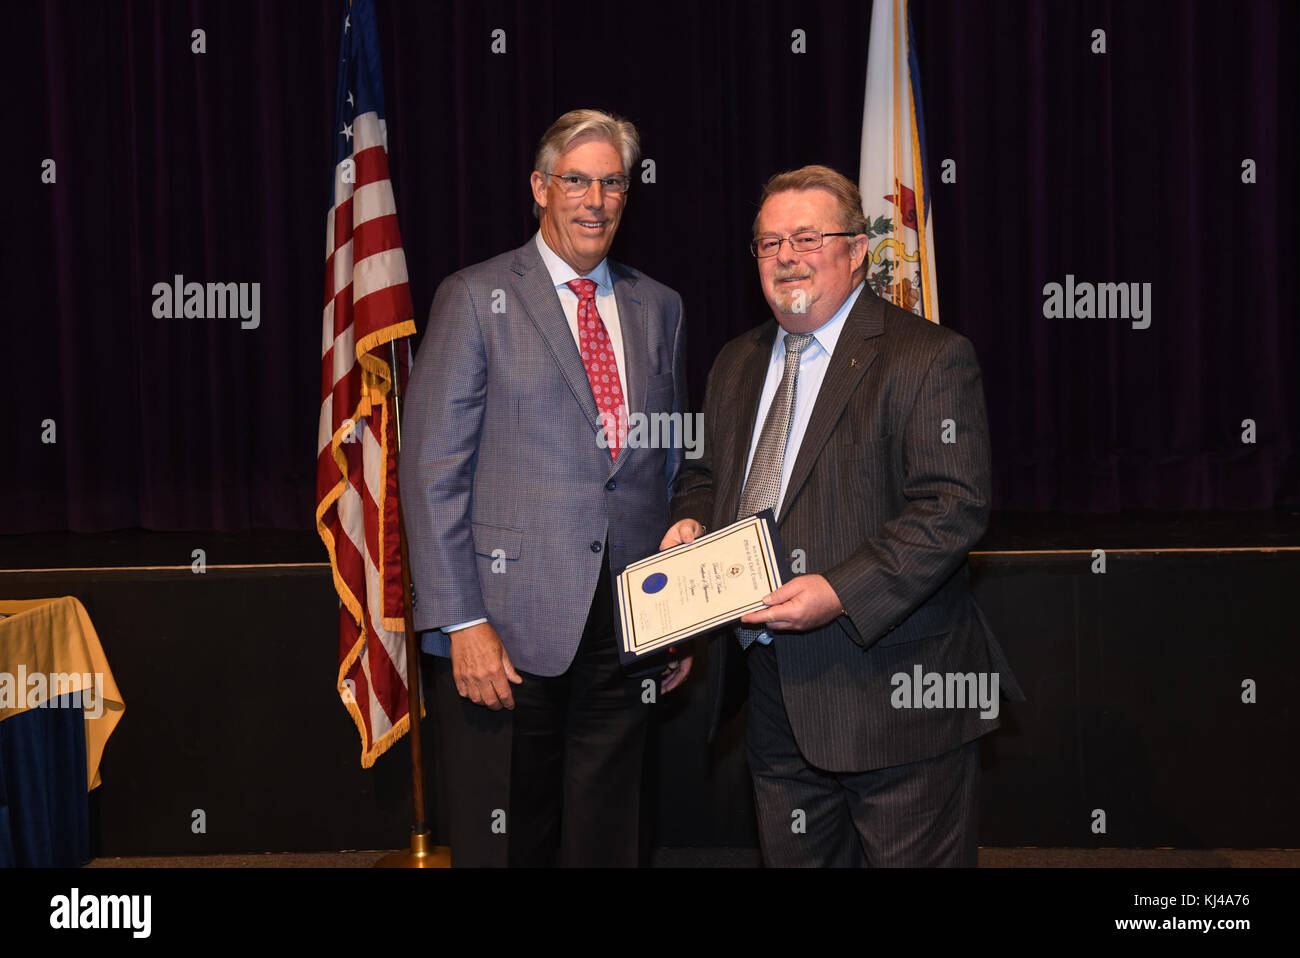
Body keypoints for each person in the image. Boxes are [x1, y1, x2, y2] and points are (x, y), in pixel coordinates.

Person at [663, 165, 1022, 867]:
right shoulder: (735, 363)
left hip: (894, 694)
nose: (786, 256)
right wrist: (691, 525)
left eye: (806, 237)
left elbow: (952, 507)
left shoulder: (929, 358)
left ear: (857, 250)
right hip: (770, 697)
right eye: (768, 243)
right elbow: (704, 478)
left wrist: (838, 592)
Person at [400, 109, 690, 867]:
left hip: (629, 626)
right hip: (505, 628)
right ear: (539, 187)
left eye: (612, 182)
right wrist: (461, 620)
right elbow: (431, 472)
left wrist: (679, 610)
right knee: (508, 839)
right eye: (576, 181)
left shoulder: (660, 306)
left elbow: (670, 467)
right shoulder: (474, 297)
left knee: (612, 835)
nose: (595, 200)